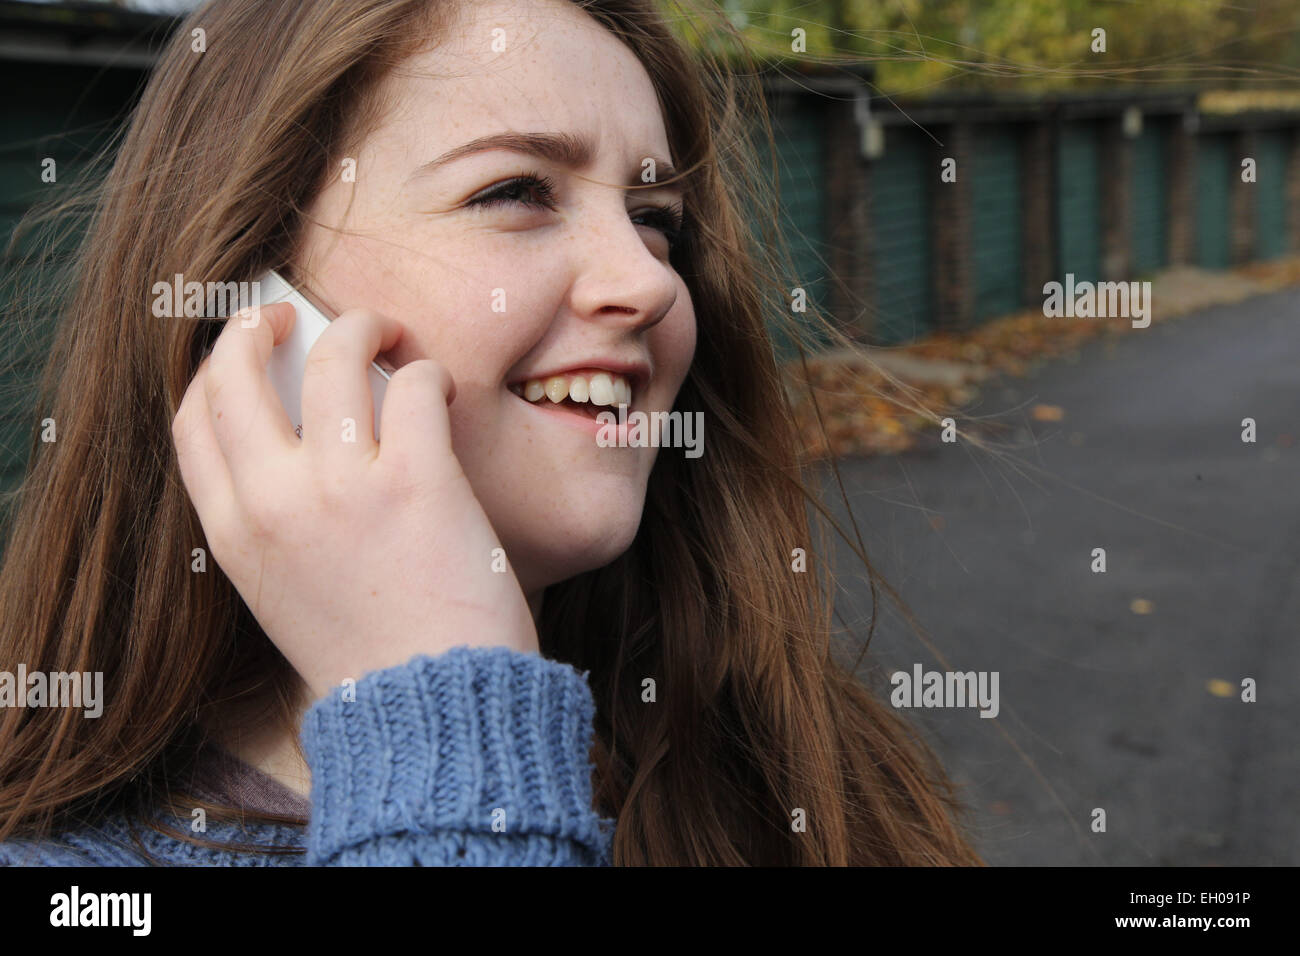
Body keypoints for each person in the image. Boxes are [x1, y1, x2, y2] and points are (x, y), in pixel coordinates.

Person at [0, 0, 981, 866]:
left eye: (654, 218)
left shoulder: (800, 767)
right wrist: (448, 722)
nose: (648, 281)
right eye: (514, 190)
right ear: (256, 311)